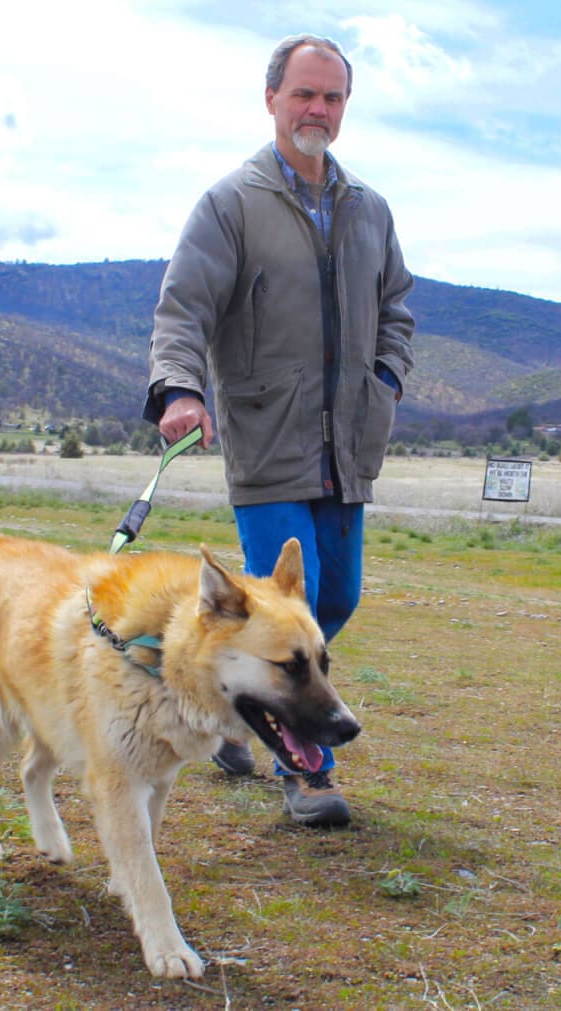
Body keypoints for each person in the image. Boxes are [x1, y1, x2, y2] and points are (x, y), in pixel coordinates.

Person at [143, 32, 414, 829]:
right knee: (288, 610)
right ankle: (307, 774)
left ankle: (238, 712)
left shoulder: (370, 208)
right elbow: (183, 306)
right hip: (266, 439)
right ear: (271, 99)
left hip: (349, 446)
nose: (318, 110)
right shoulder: (230, 205)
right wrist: (181, 389)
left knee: (340, 595)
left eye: (332, 97)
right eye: (304, 94)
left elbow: (397, 306)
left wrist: (386, 380)